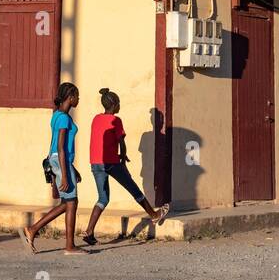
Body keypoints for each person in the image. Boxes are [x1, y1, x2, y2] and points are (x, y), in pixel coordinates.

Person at [81, 88, 170, 245]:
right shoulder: (116, 120)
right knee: (133, 188)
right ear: (114, 105)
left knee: (103, 198)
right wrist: (122, 158)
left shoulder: (96, 119)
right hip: (111, 162)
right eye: (119, 103)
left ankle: (89, 231)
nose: (120, 106)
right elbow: (121, 142)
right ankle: (154, 215)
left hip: (95, 162)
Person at [23, 83, 86, 255]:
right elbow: (60, 147)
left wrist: (72, 170)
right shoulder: (64, 118)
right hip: (60, 160)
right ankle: (69, 246)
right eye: (77, 96)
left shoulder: (57, 115)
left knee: (68, 202)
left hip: (58, 160)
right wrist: (65, 175)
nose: (78, 99)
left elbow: (57, 148)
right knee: (71, 202)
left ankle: (33, 229)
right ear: (70, 97)